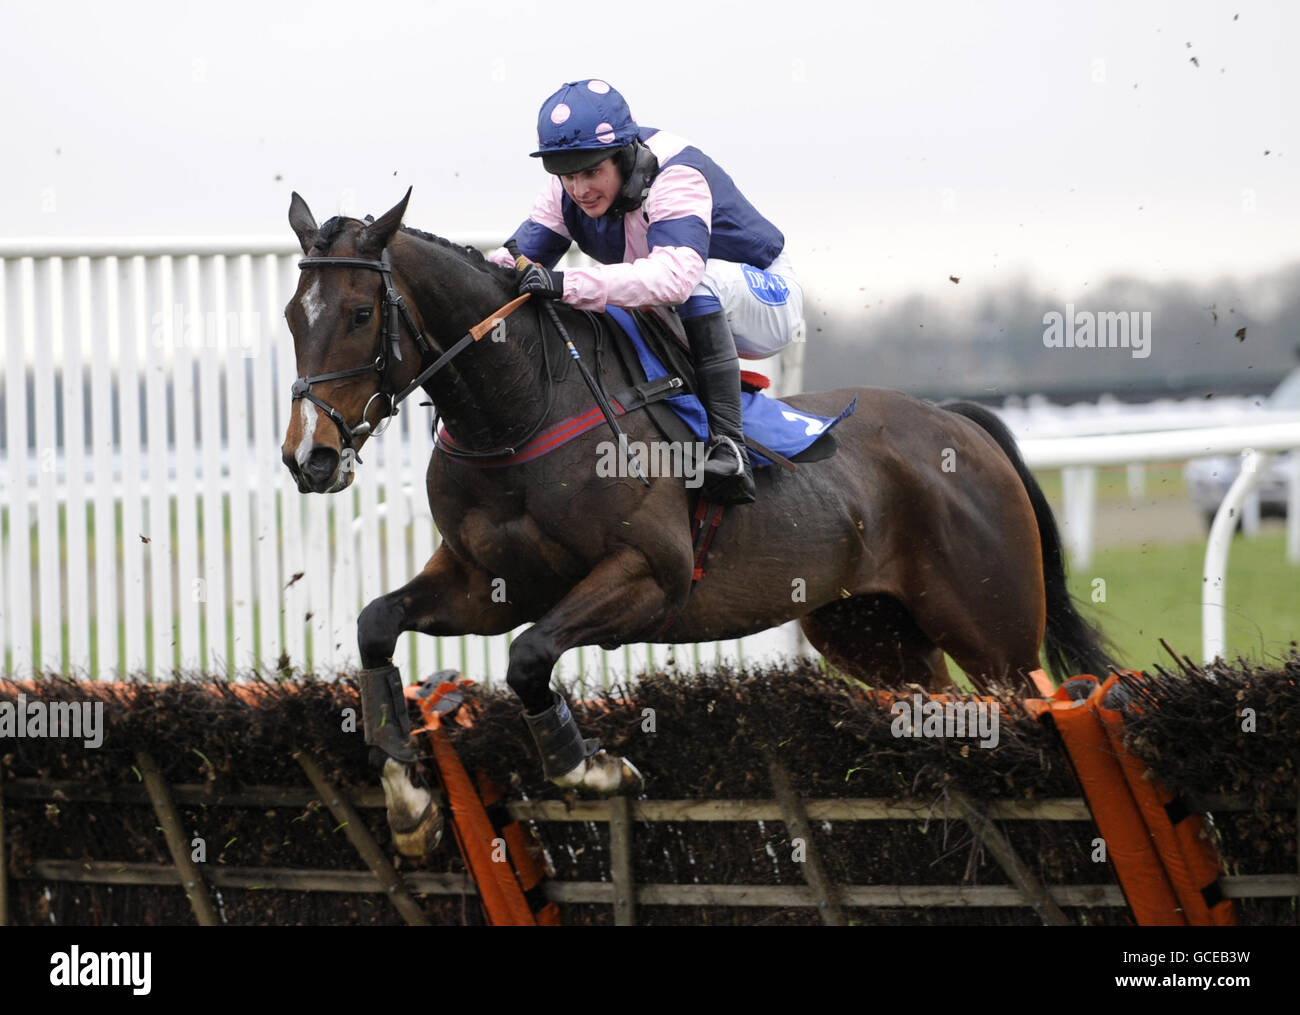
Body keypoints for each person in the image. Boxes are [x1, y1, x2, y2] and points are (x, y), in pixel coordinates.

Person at [490, 78, 805, 505]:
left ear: (623, 155)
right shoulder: (564, 191)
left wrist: (566, 283)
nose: (579, 190)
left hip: (766, 300)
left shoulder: (677, 175)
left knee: (693, 282)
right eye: (567, 176)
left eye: (591, 172)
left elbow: (675, 277)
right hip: (674, 311)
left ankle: (729, 447)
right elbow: (513, 266)